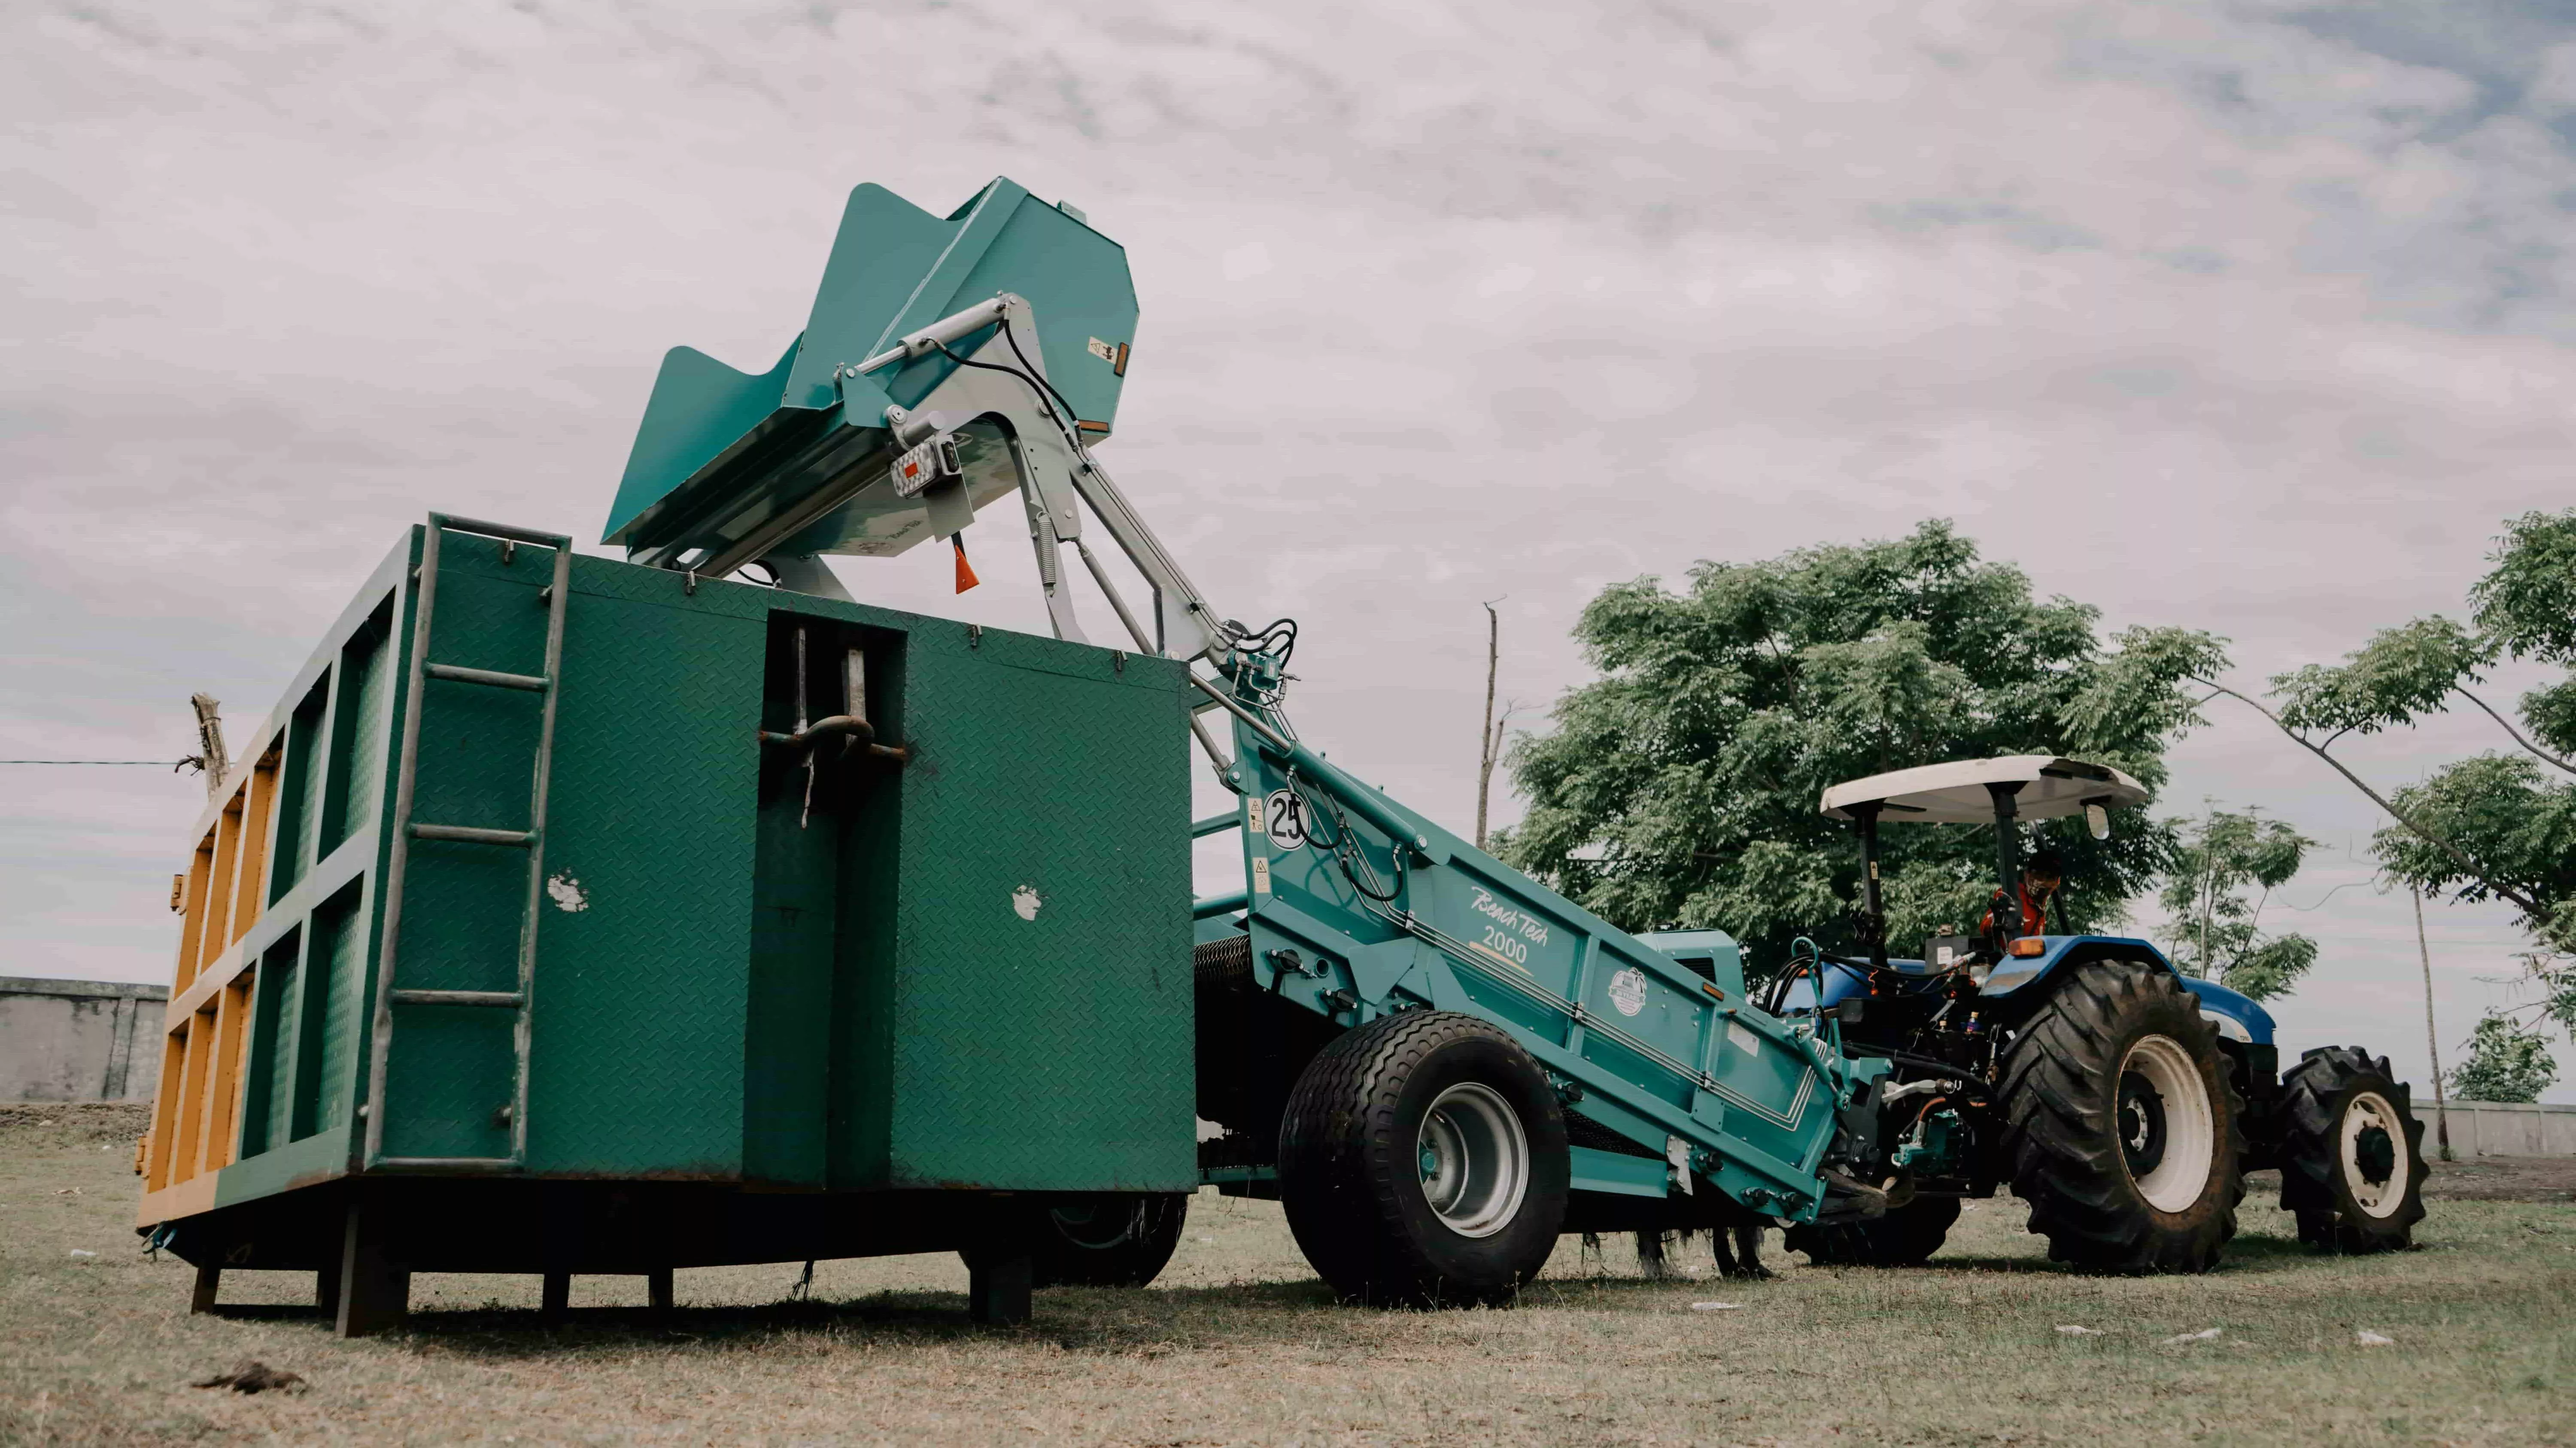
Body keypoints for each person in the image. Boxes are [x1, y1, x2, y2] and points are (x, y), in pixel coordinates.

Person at [1980, 848, 2065, 940]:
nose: (2044, 882)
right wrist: (1998, 920)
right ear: (2027, 874)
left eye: (2050, 877)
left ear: (2058, 881)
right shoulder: (2011, 894)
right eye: (2039, 875)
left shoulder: (2041, 904)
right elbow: (1985, 928)